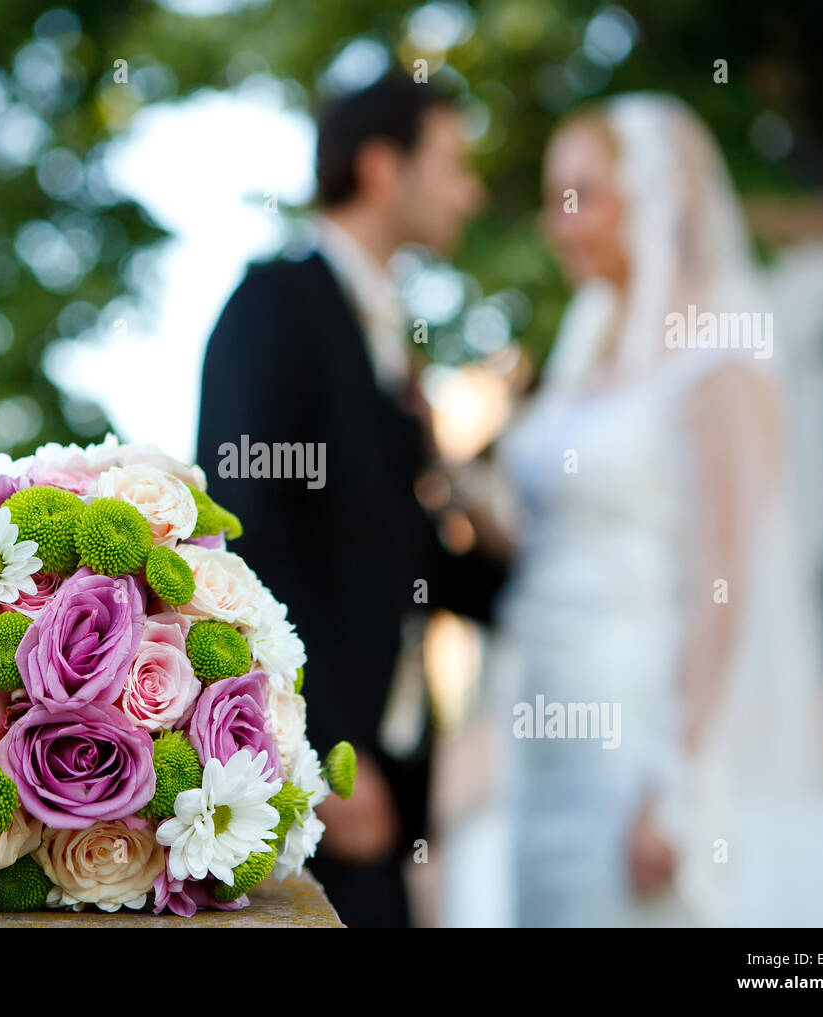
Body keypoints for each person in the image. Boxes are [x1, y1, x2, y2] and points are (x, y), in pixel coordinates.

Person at [479, 93, 823, 926]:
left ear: (653, 197)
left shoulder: (723, 361)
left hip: (634, 739)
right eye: (551, 198)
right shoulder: (585, 338)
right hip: (543, 737)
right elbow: (547, 542)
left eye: (581, 195)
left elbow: (728, 578)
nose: (557, 223)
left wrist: (677, 782)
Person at [196, 72, 508, 928]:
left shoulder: (388, 329)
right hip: (330, 776)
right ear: (381, 168)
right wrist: (319, 746)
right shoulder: (276, 305)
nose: (470, 190)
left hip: (400, 762)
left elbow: (396, 548)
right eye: (452, 164)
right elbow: (247, 535)